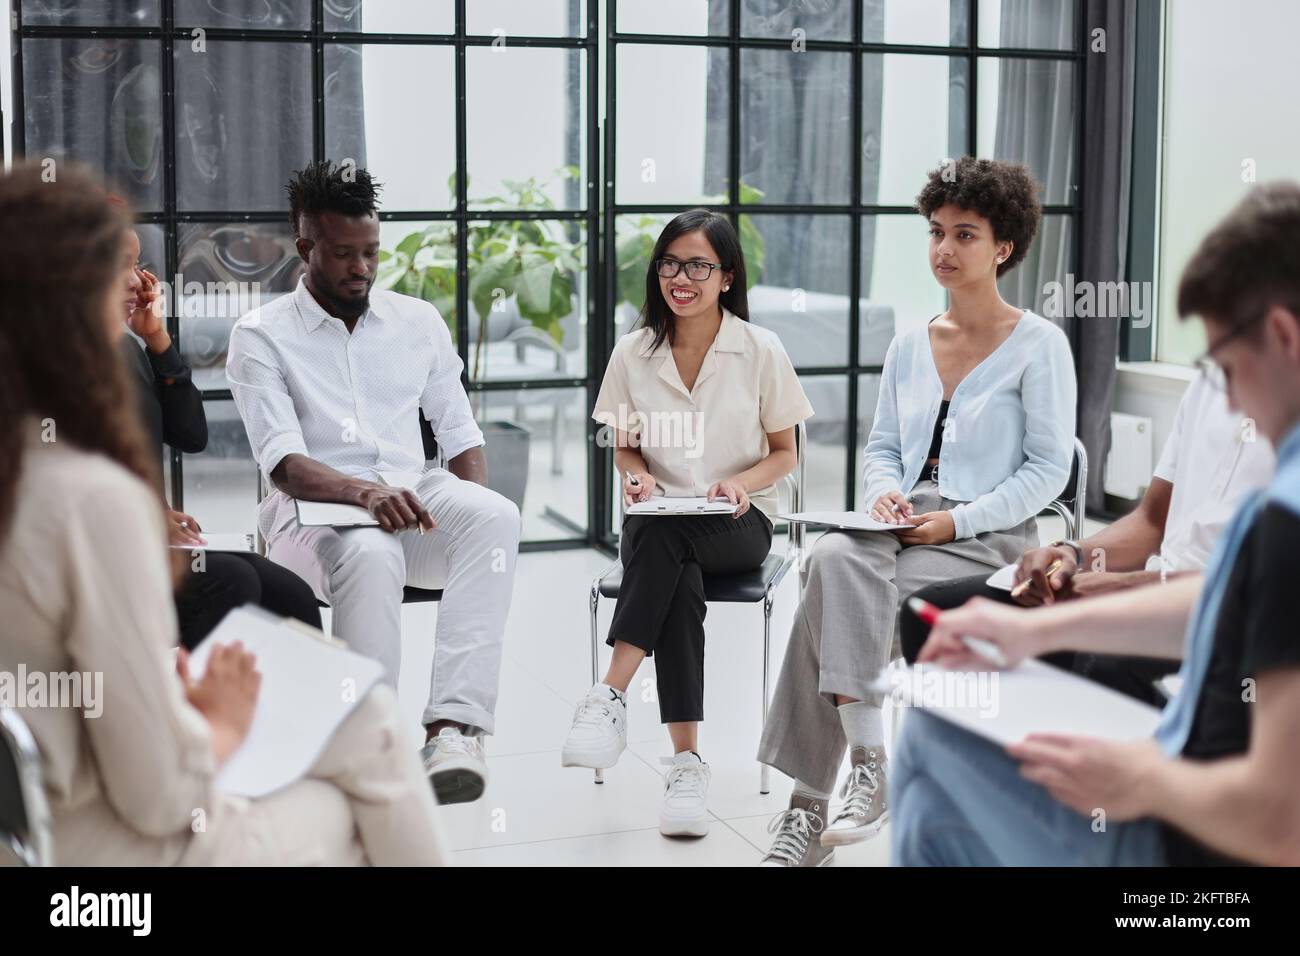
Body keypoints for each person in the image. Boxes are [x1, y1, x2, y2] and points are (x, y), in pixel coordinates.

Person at [0, 160, 448, 866]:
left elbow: (188, 431)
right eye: (114, 274)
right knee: (372, 749)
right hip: (99, 855)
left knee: (344, 701)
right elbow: (159, 795)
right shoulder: (86, 499)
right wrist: (221, 721)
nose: (137, 285)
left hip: (35, 818)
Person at [895, 180, 1300, 867]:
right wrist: (1047, 609)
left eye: (1227, 366)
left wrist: (1140, 782)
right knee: (934, 798)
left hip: (1195, 858)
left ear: (1283, 337)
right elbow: (1220, 592)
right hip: (1186, 782)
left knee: (931, 737)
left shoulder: (1284, 516)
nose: (1226, 395)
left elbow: (1279, 826)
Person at [756, 157, 1077, 866]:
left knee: (825, 585)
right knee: (836, 556)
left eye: (965, 234)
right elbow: (880, 449)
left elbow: (1048, 470)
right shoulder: (909, 345)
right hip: (896, 526)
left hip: (984, 536)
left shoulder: (1040, 346)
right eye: (936, 232)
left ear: (1004, 247)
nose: (944, 249)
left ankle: (808, 811)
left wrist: (954, 521)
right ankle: (871, 764)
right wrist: (882, 495)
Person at [226, 160, 520, 804]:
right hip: (311, 519)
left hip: (411, 497)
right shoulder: (260, 337)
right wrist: (363, 493)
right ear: (306, 248)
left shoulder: (416, 323)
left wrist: (465, 521)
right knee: (368, 547)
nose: (361, 267)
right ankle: (371, 741)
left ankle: (451, 729)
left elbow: (462, 437)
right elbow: (283, 464)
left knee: (496, 516)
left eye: (370, 253)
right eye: (342, 254)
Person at [560, 209, 812, 837]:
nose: (682, 277)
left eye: (699, 265)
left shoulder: (760, 350)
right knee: (674, 566)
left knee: (663, 543)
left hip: (739, 523)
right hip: (660, 523)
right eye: (671, 263)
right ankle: (686, 765)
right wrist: (636, 475)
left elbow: (786, 453)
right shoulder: (633, 352)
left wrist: (740, 483)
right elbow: (625, 446)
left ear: (726, 276)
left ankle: (610, 694)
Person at [899, 369, 1275, 705]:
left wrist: (1134, 587)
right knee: (936, 614)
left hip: (1236, 621)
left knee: (1107, 661)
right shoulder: (1209, 382)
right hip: (1156, 591)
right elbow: (1152, 522)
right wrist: (1073, 555)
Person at [116, 215, 322, 650]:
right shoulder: (52, 361)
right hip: (98, 555)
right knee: (232, 582)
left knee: (293, 595)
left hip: (135, 539)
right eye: (120, 265)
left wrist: (157, 341)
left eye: (138, 264)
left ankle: (299, 717)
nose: (137, 279)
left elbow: (191, 434)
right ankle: (191, 714)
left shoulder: (125, 348)